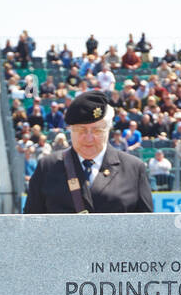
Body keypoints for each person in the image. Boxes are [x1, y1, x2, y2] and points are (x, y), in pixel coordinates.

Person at [23, 90, 152, 213]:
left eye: (97, 130)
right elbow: (31, 223)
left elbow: (145, 226)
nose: (89, 138)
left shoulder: (133, 169)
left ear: (108, 130)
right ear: (70, 130)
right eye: (81, 130)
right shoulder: (47, 167)